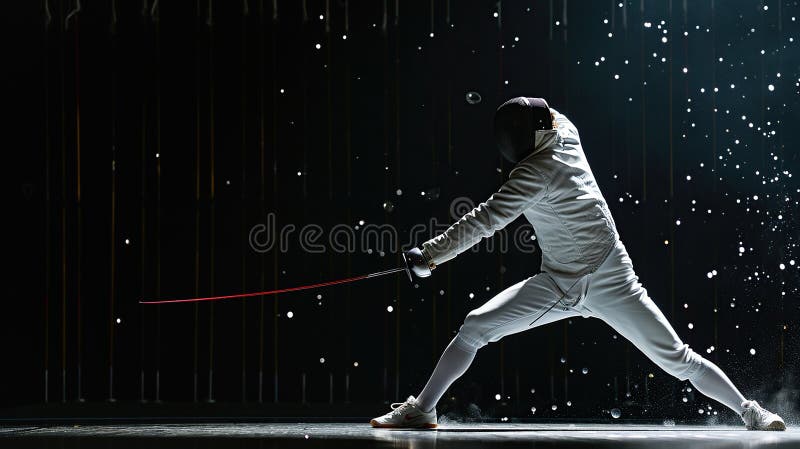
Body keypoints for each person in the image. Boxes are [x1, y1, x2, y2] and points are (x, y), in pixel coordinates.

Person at [370, 97, 785, 431]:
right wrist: (431, 254)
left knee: (677, 357)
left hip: (612, 279)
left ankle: (750, 410)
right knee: (475, 326)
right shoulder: (559, 138)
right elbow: (486, 217)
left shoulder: (546, 154)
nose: (551, 120)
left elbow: (482, 221)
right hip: (558, 283)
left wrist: (429, 255)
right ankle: (422, 410)